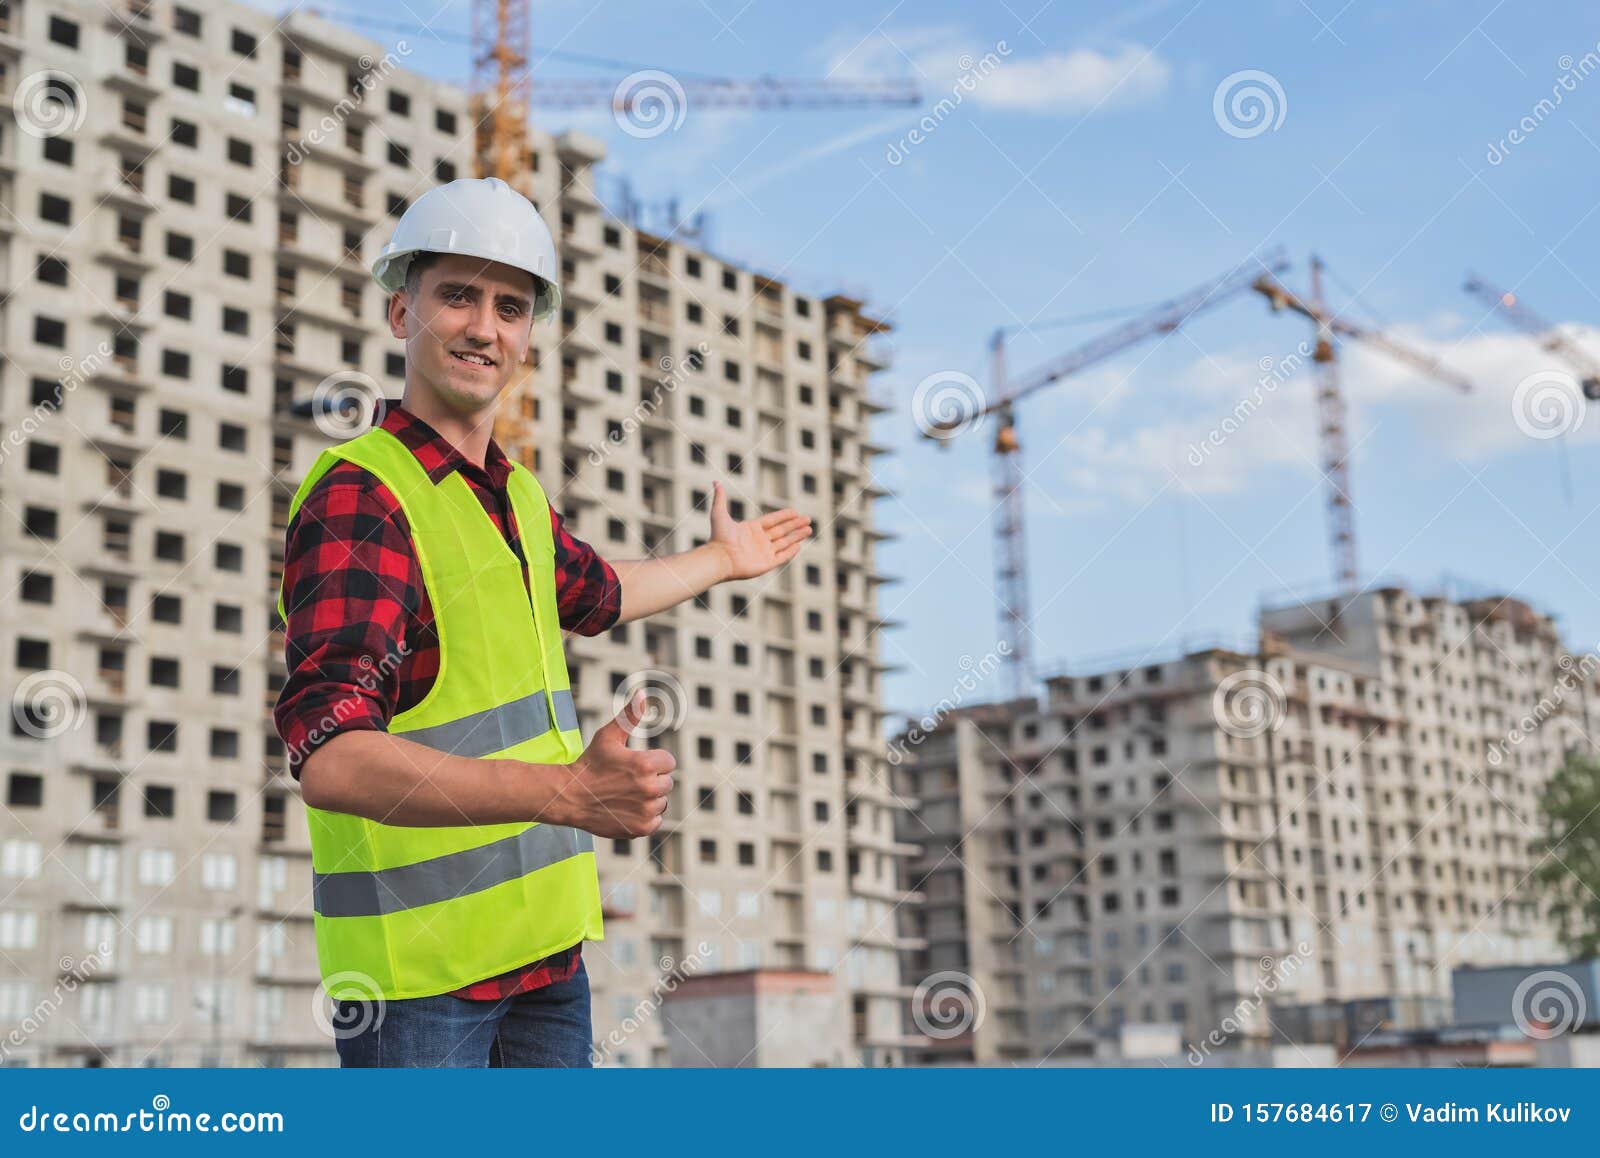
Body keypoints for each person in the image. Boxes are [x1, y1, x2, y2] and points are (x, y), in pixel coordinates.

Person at [272, 177, 813, 1067]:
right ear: (402, 311)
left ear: (528, 336)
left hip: (547, 966)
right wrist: (569, 793)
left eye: (511, 306)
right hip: (422, 986)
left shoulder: (513, 497)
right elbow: (333, 758)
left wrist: (723, 559)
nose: (485, 326)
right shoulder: (361, 495)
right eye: (458, 295)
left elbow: (602, 591)